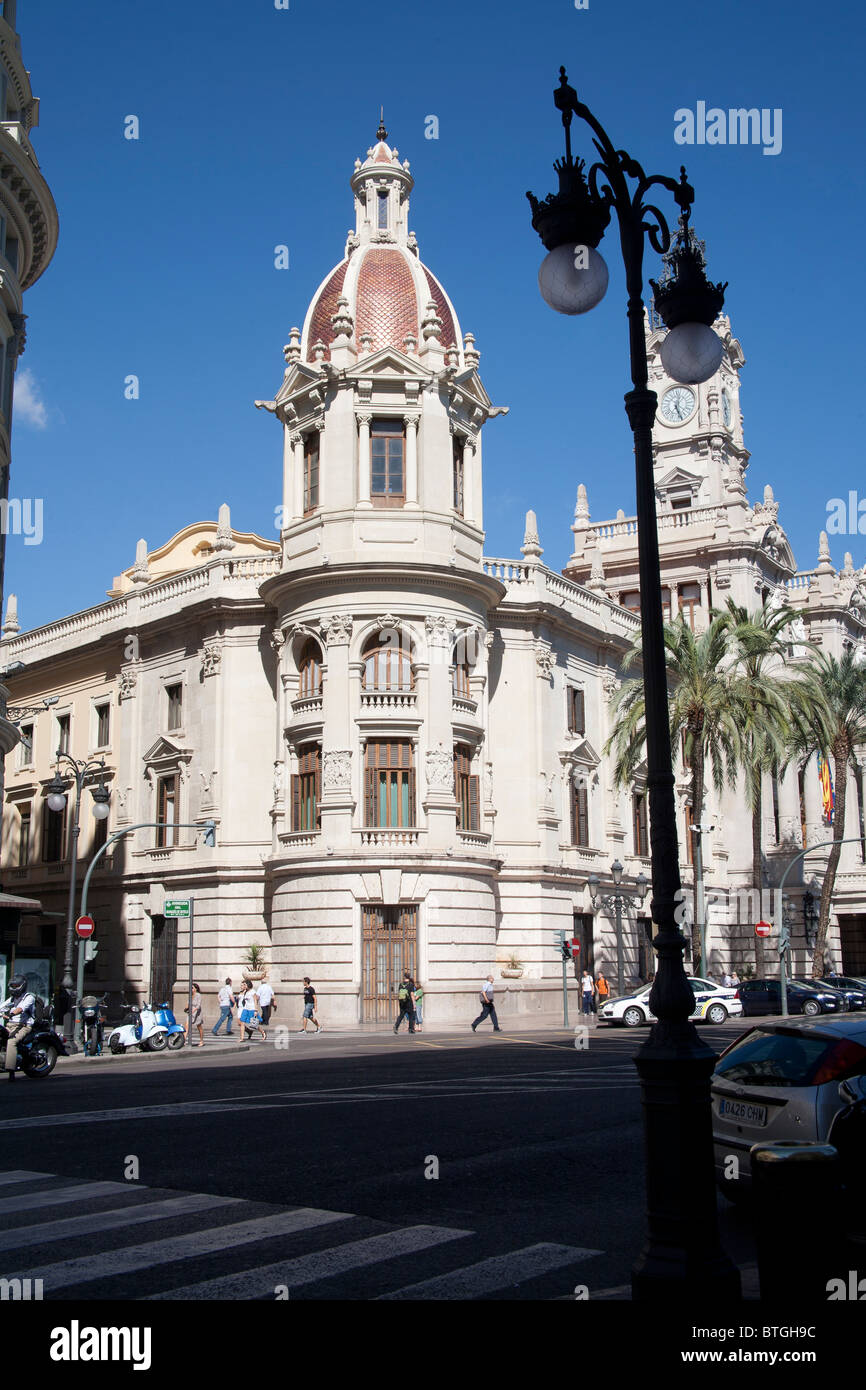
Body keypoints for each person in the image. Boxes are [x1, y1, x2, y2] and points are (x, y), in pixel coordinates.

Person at [0, 976, 37, 1070]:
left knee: (11, 1041)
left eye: (16, 985)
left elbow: (21, 1008)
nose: (13, 988)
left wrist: (12, 1013)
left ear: (22, 986)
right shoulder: (12, 998)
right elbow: (2, 1006)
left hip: (24, 1026)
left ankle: (10, 1069)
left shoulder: (29, 997)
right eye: (12, 985)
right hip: (10, 1025)